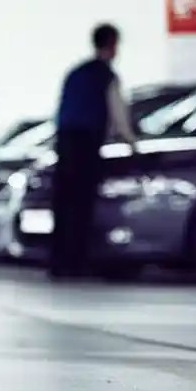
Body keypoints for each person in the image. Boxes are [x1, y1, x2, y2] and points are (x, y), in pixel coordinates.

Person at [49, 23, 137, 280]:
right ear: (112, 45)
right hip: (87, 145)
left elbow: (62, 110)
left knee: (63, 206)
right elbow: (119, 115)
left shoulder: (75, 73)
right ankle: (76, 263)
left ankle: (58, 263)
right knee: (82, 206)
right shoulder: (107, 76)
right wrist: (132, 142)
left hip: (65, 145)